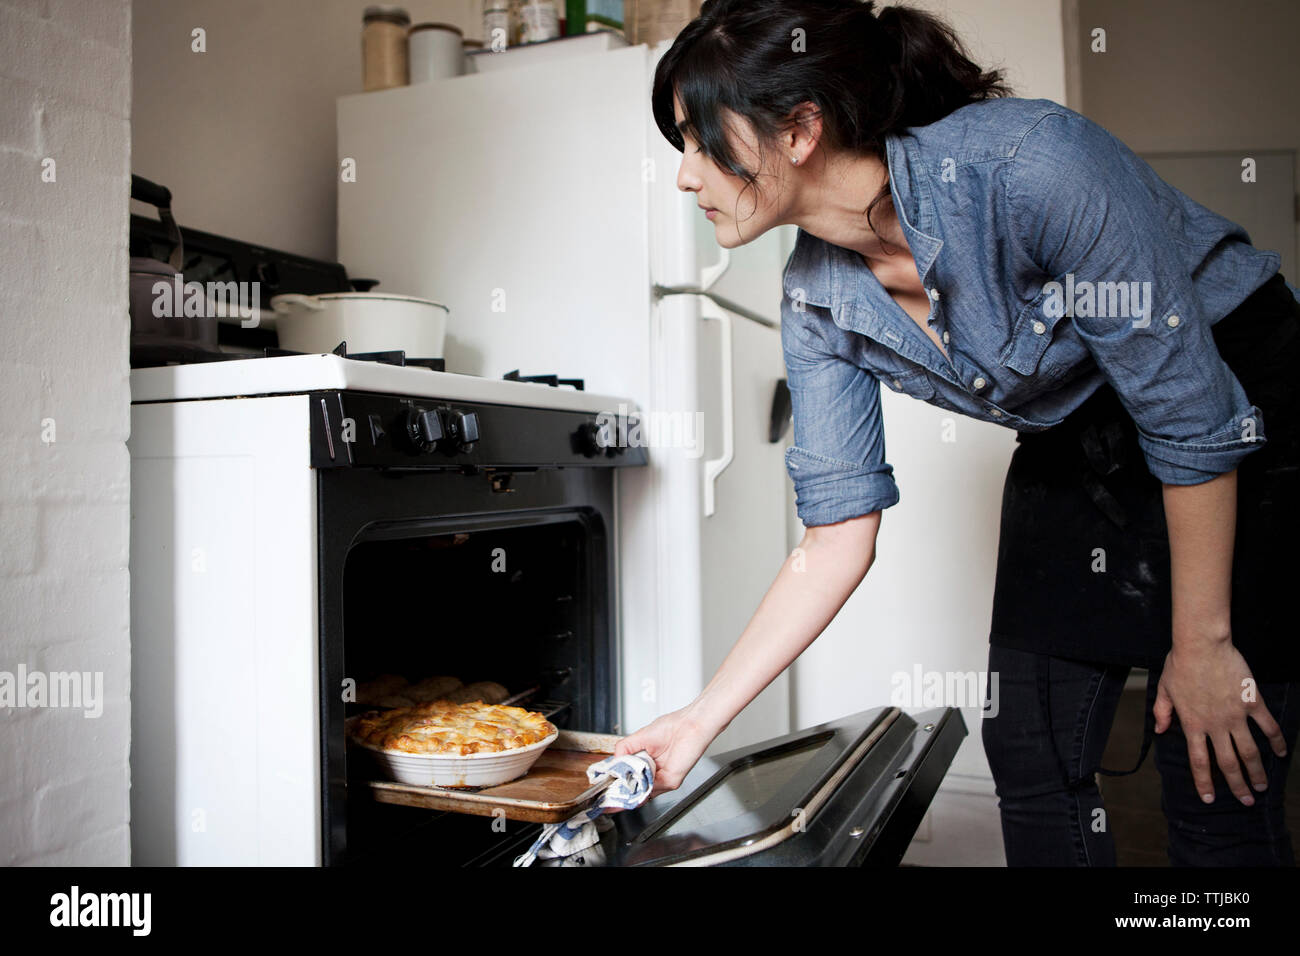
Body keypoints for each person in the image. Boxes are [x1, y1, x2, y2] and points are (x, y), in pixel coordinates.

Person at [612, 0, 1300, 866]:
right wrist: (696, 724)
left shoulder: (1033, 166)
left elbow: (1193, 422)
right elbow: (834, 540)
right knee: (1028, 747)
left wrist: (1200, 646)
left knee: (1212, 752)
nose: (684, 176)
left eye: (702, 141)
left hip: (1233, 393)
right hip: (1075, 421)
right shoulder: (814, 296)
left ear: (799, 130)